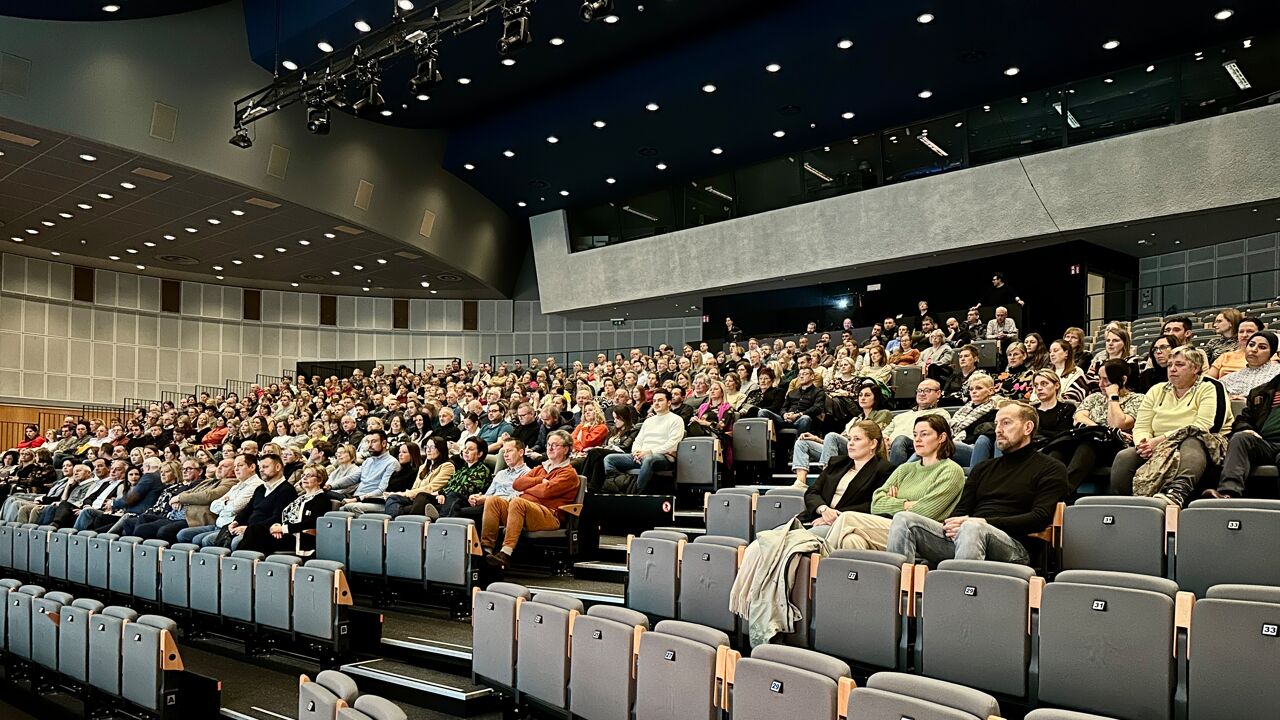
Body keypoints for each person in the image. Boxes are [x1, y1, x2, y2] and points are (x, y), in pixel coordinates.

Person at [888, 401, 1068, 566]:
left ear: (1028, 427)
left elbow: (1039, 518)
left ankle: (960, 597)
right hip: (966, 538)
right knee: (904, 519)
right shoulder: (983, 468)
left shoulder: (1051, 468)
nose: (998, 429)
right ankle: (896, 592)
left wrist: (983, 522)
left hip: (1015, 547)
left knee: (973, 527)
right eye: (997, 423)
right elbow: (961, 511)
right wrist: (955, 524)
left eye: (1006, 423)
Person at [1110, 347, 1233, 507]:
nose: (1172, 369)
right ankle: (1125, 506)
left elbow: (1203, 425)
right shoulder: (1157, 390)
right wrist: (1144, 444)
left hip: (1202, 442)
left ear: (1195, 368)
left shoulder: (1209, 387)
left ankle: (1177, 493)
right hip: (1155, 444)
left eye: (1180, 365)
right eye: (1169, 365)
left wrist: (1161, 440)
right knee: (1125, 456)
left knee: (1192, 440)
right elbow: (1141, 425)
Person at [822, 415, 966, 551]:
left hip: (924, 537)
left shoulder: (951, 471)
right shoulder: (905, 469)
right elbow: (876, 503)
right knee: (851, 540)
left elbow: (923, 513)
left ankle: (819, 569)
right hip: (893, 528)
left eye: (924, 434)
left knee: (848, 518)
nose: (917, 439)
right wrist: (906, 504)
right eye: (915, 435)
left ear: (941, 437)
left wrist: (894, 501)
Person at [480, 429, 581, 570]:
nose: (550, 448)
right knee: (493, 501)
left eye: (555, 445)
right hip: (525, 511)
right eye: (548, 444)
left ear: (566, 449)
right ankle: (486, 550)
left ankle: (505, 553)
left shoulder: (569, 473)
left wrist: (528, 488)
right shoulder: (541, 468)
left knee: (517, 502)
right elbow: (517, 484)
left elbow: (545, 492)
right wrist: (541, 480)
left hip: (550, 516)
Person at [791, 381, 892, 487]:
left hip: (865, 450)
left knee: (832, 435)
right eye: (860, 395)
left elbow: (876, 435)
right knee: (802, 443)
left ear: (875, 398)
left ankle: (826, 477)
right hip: (846, 450)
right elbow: (835, 442)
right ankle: (800, 483)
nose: (862, 398)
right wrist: (816, 439)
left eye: (867, 395)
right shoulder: (855, 420)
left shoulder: (883, 414)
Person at [803, 421, 894, 526]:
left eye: (857, 439)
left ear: (873, 443)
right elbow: (812, 492)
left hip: (847, 525)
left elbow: (873, 505)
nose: (850, 443)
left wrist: (836, 517)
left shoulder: (885, 470)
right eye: (849, 439)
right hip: (815, 518)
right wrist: (823, 509)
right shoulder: (836, 463)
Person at [1209, 367, 1280, 499]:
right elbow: (1242, 419)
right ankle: (1228, 493)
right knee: (1240, 438)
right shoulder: (1261, 392)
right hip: (1265, 443)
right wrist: (1246, 428)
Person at [601, 388, 684, 493]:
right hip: (641, 455)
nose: (656, 403)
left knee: (648, 459)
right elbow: (638, 441)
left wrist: (650, 452)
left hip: (662, 457)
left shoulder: (676, 420)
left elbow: (673, 444)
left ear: (669, 402)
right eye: (654, 401)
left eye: (660, 400)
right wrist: (636, 452)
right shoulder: (648, 421)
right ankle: (620, 485)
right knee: (609, 459)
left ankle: (636, 492)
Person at [237, 465, 330, 554]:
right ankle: (241, 562)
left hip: (301, 539)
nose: (304, 478)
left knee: (256, 531)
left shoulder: (322, 499)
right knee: (254, 531)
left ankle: (238, 562)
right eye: (303, 475)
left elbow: (312, 523)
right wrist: (277, 526)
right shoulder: (301, 498)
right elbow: (285, 516)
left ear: (320, 480)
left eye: (309, 475)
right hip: (286, 534)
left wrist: (283, 529)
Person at [226, 453, 298, 550]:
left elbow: (277, 518)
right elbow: (248, 509)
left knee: (235, 543)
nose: (261, 470)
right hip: (248, 529)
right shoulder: (260, 488)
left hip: (263, 533)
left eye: (265, 467)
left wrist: (248, 529)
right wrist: (236, 521)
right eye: (260, 467)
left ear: (278, 467)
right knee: (209, 540)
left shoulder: (287, 490)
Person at [383, 436, 454, 518]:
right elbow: (415, 487)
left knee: (420, 497)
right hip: (415, 498)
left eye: (432, 447)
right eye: (427, 447)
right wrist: (400, 494)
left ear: (441, 449)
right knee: (392, 498)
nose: (428, 450)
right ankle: (399, 522)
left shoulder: (448, 466)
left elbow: (431, 488)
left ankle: (399, 523)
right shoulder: (423, 467)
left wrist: (404, 494)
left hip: (432, 498)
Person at [458, 439, 529, 521]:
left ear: (521, 452)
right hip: (489, 505)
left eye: (509, 451)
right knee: (456, 503)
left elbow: (517, 499)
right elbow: (488, 494)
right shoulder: (500, 473)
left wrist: (487, 499)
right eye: (504, 452)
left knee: (458, 513)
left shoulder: (527, 473)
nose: (505, 455)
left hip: (506, 509)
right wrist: (476, 497)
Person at [943, 373, 1000, 473]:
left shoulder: (995, 412)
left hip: (976, 451)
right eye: (971, 389)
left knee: (936, 445)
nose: (974, 392)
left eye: (979, 388)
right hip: (957, 443)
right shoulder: (962, 410)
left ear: (990, 391)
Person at [885, 379, 951, 465]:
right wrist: (885, 440)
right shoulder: (900, 416)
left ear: (938, 394)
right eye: (919, 391)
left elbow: (931, 437)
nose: (922, 394)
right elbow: (885, 433)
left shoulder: (940, 414)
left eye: (927, 390)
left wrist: (893, 441)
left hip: (915, 450)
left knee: (900, 440)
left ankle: (895, 475)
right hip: (891, 448)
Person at [426, 436, 492, 518]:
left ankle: (441, 523)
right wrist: (441, 494)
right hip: (449, 499)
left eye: (470, 449)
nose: (466, 451)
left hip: (467, 501)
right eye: (465, 448)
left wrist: (444, 495)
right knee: (423, 496)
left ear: (480, 454)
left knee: (453, 495)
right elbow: (449, 485)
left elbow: (466, 490)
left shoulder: (483, 470)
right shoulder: (461, 469)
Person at [580, 404, 640, 490]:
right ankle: (592, 488)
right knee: (597, 458)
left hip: (622, 454)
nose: (614, 421)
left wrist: (604, 448)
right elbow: (605, 444)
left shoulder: (633, 430)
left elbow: (626, 447)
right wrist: (601, 448)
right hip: (608, 451)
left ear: (624, 417)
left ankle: (582, 482)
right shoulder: (613, 430)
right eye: (614, 418)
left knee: (595, 452)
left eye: (617, 418)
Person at [339, 430, 399, 514]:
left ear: (384, 443)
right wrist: (330, 486)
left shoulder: (392, 463)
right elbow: (352, 478)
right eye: (368, 442)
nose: (369, 445)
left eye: (373, 442)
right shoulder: (368, 461)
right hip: (358, 497)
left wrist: (357, 499)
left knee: (352, 507)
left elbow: (382, 490)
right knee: (333, 502)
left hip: (376, 500)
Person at [1222, 331, 1280, 398]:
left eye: (1262, 347)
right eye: (1251, 345)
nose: (1254, 349)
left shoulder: (1277, 373)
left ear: (1271, 353)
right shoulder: (1230, 378)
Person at [1031, 369, 1076, 444]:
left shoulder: (1068, 408)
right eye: (1036, 385)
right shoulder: (1030, 410)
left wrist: (1038, 432)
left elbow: (1064, 436)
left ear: (1056, 385)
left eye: (1044, 384)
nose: (1039, 388)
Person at [1046, 338, 1089, 404]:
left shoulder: (1077, 371)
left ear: (1066, 353)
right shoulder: (1047, 373)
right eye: (1050, 351)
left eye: (1055, 351)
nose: (1052, 354)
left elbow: (1078, 395)